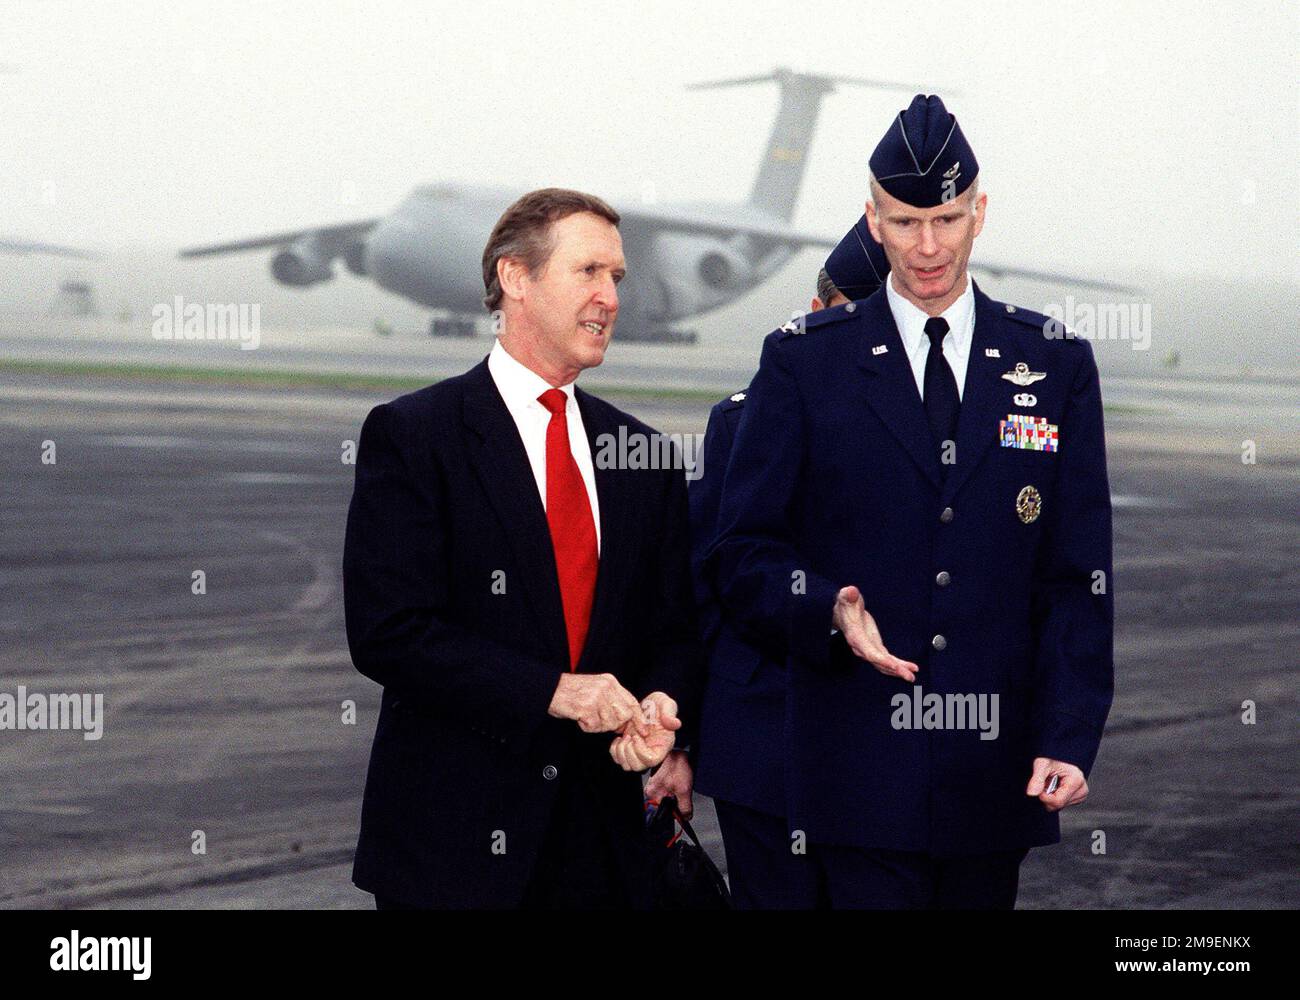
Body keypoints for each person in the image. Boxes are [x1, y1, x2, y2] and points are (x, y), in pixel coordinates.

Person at [705, 95, 1114, 909]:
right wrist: (824, 609)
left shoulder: (1055, 364)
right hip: (852, 770)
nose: (927, 247)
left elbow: (1077, 575)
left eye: (948, 219)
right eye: (902, 222)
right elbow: (742, 552)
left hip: (992, 775)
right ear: (872, 220)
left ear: (979, 213)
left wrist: (1067, 734)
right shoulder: (803, 366)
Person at [343, 187, 701, 909]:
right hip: (454, 854)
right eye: (589, 272)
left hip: (601, 858)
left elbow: (674, 628)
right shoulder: (416, 436)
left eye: (617, 278)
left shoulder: (645, 454)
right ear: (515, 279)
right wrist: (555, 693)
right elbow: (390, 633)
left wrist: (662, 709)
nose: (610, 297)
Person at [678, 224, 889, 909]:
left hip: (882, 746)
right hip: (765, 746)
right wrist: (680, 738)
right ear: (819, 310)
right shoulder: (743, 422)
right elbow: (702, 588)